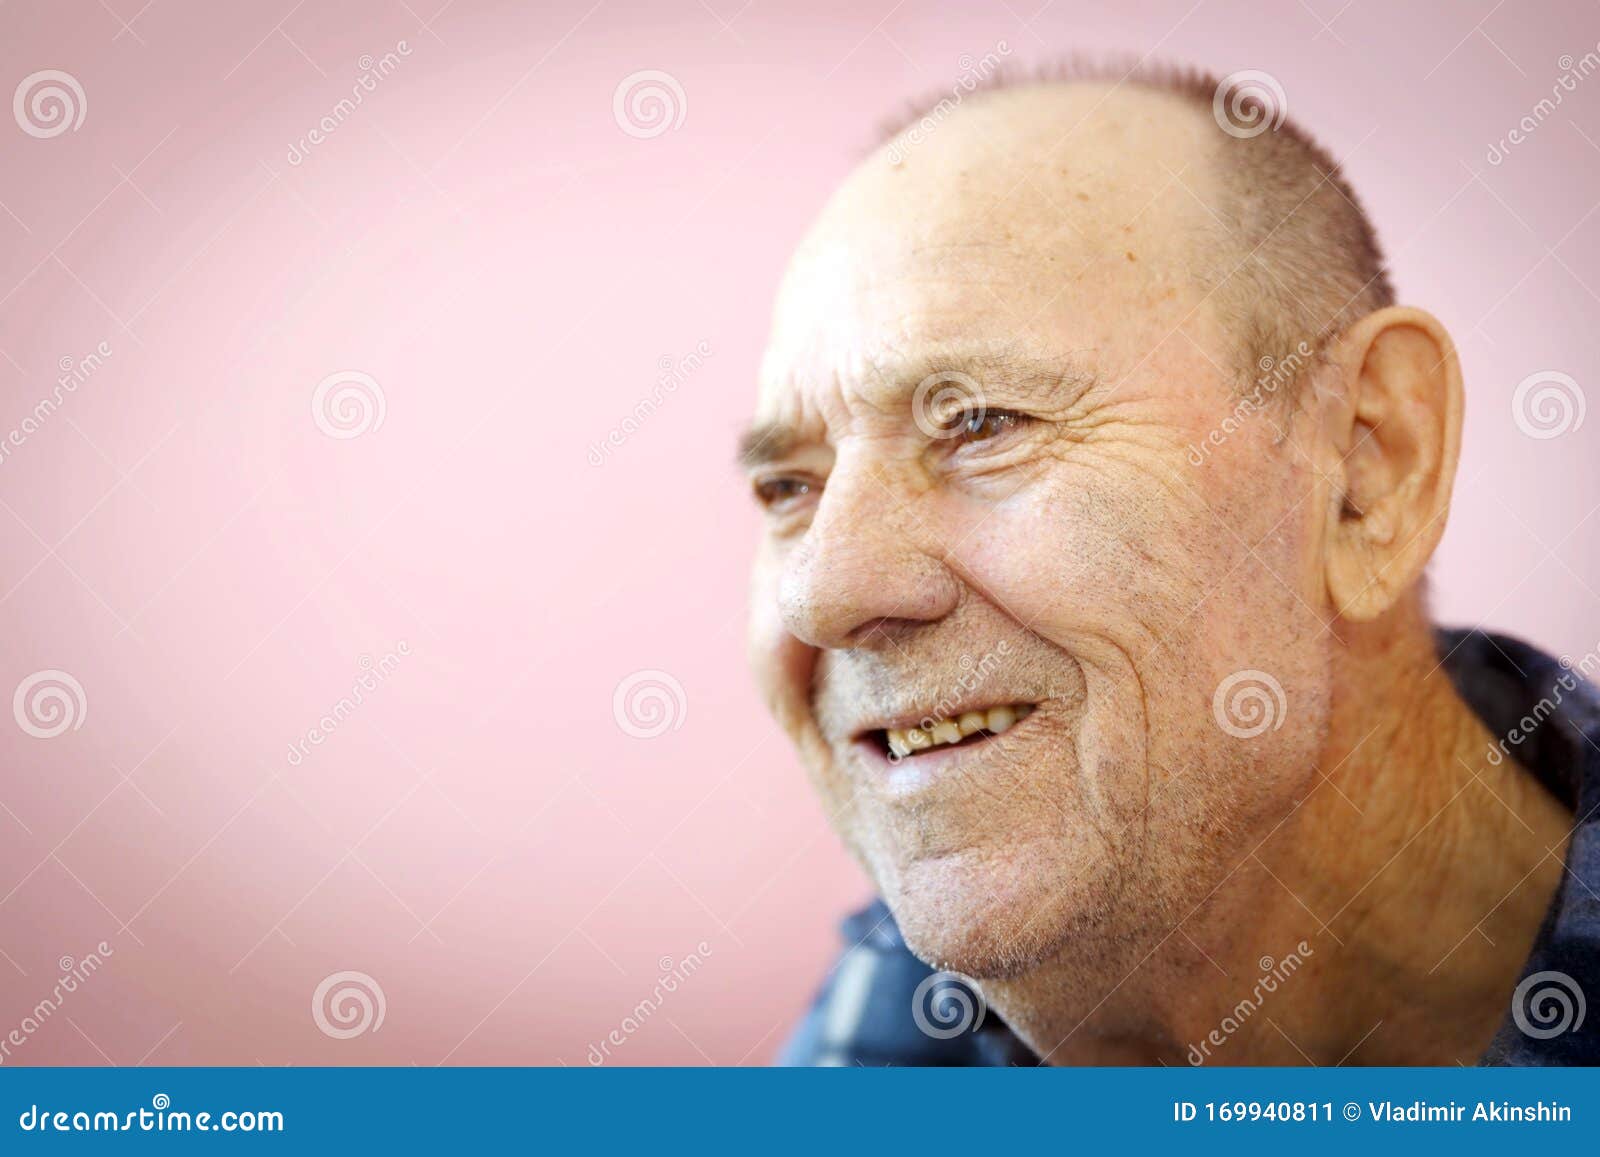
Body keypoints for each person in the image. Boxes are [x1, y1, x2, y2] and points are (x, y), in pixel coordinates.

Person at [739, 65, 1598, 1066]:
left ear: (1368, 468)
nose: (824, 591)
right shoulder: (884, 1029)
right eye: (788, 489)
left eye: (981, 423)